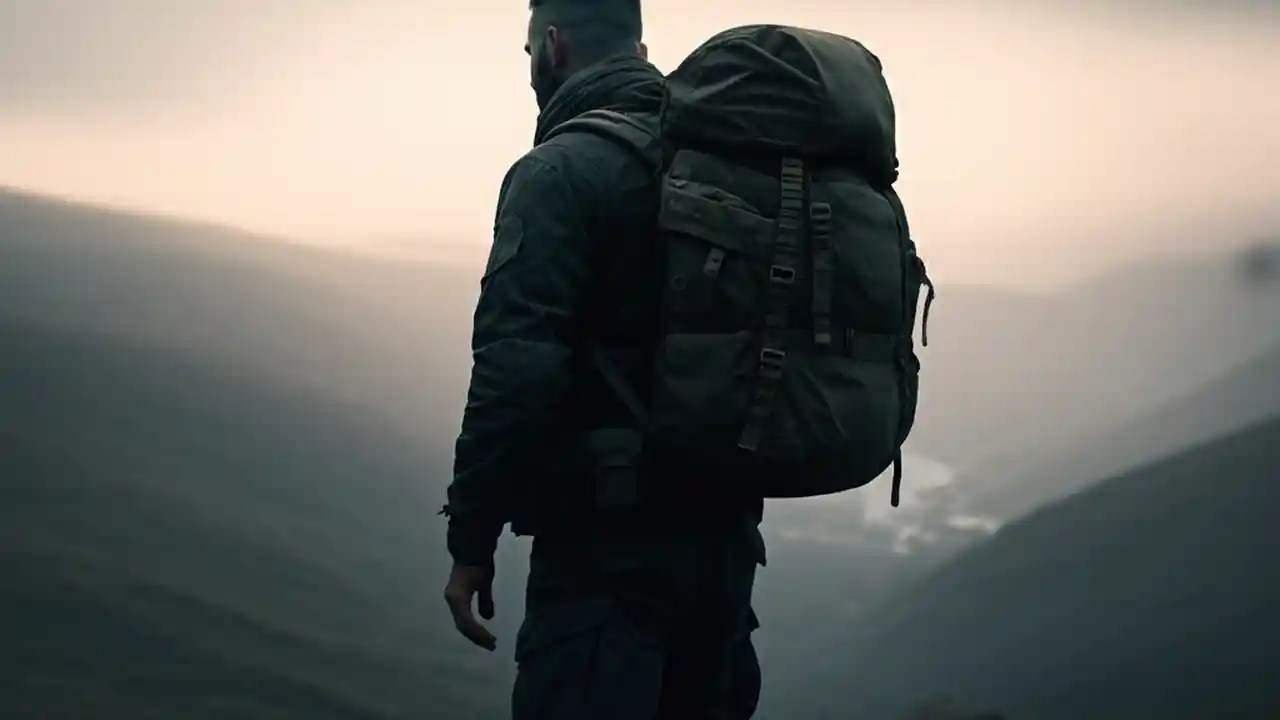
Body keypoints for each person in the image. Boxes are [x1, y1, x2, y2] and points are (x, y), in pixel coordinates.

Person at [441, 1, 767, 718]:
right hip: (725, 547)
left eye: (529, 50)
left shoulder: (558, 171)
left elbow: (516, 370)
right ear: (641, 49)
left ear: (552, 48)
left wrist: (471, 537)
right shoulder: (724, 165)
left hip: (606, 554)